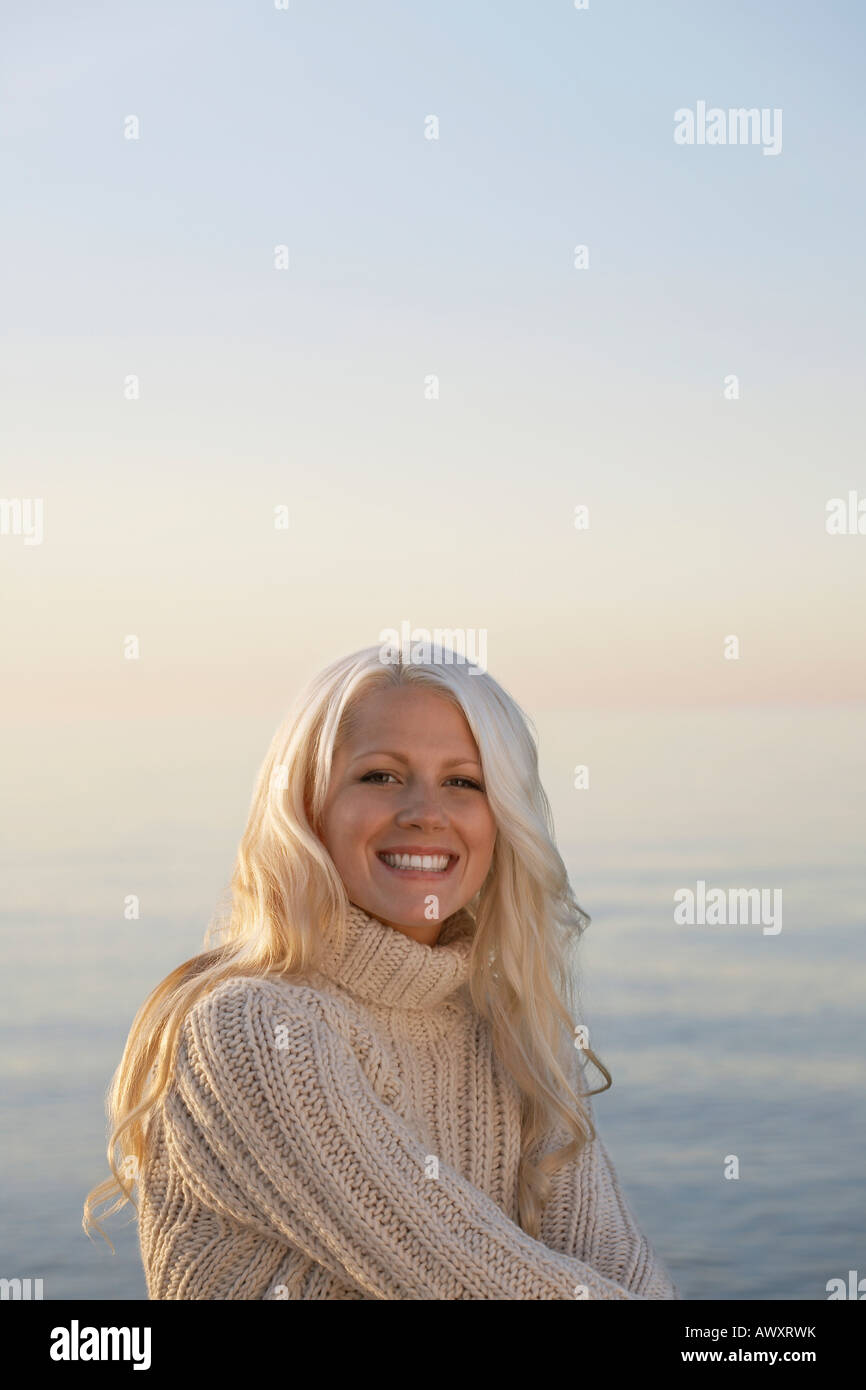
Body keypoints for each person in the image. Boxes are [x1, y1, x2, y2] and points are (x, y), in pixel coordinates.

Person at [83, 644, 680, 1300]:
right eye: (381, 776)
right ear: (310, 809)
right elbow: (482, 1285)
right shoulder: (254, 1030)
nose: (426, 811)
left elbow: (629, 1280)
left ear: (501, 820)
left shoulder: (513, 1032)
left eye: (464, 781)